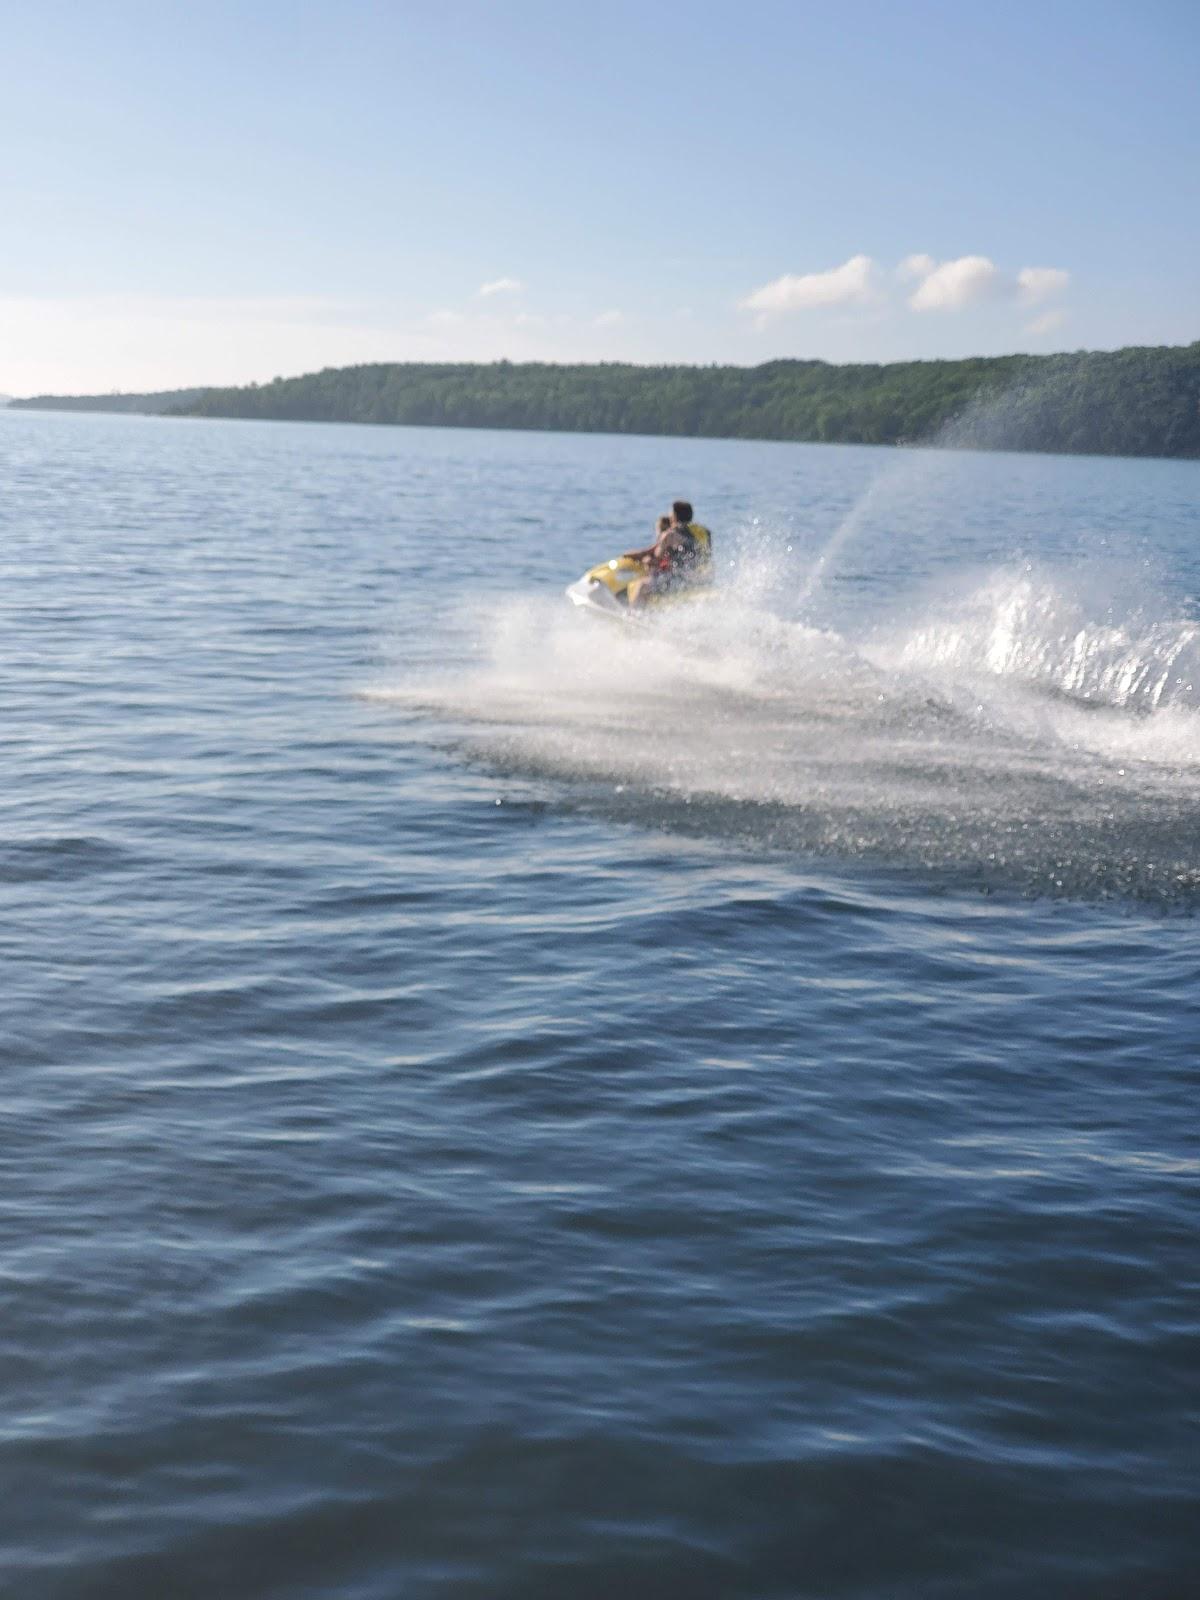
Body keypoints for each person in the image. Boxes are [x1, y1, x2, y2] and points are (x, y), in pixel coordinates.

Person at [624, 500, 713, 609]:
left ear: (674, 516)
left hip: (681, 581)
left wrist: (644, 560)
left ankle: (633, 615)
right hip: (703, 580)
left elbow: (656, 560)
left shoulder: (670, 535)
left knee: (643, 586)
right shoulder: (704, 532)